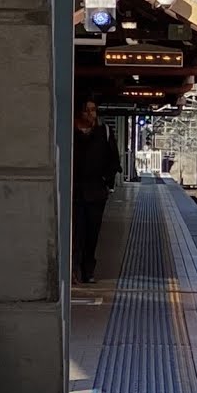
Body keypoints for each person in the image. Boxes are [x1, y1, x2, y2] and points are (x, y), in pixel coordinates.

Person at [72, 97, 121, 283]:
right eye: (87, 110)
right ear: (79, 113)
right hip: (74, 192)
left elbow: (114, 161)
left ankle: (88, 270)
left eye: (94, 110)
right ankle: (75, 269)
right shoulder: (70, 132)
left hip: (95, 193)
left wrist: (105, 180)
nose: (92, 114)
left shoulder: (104, 132)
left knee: (92, 233)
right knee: (76, 233)